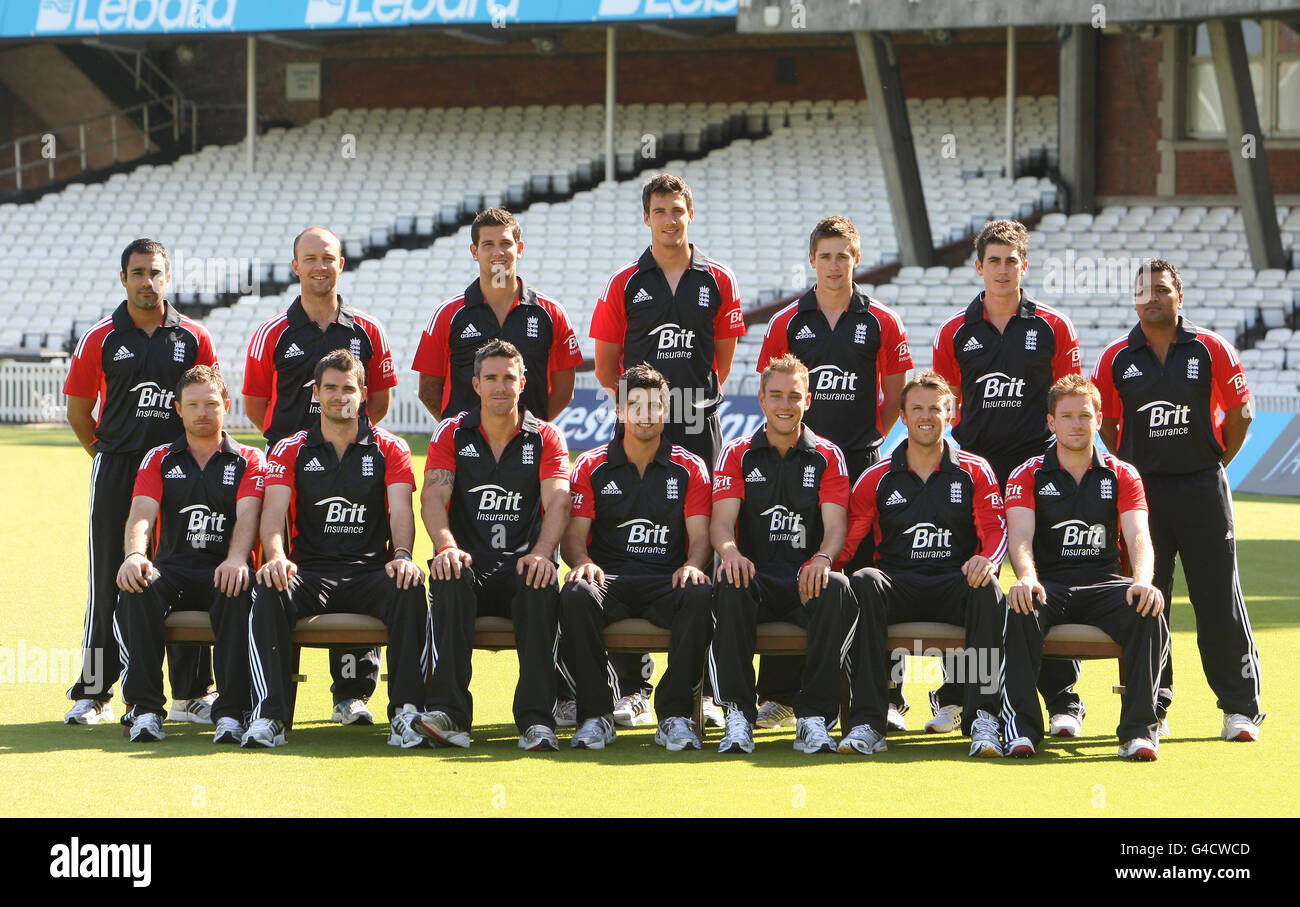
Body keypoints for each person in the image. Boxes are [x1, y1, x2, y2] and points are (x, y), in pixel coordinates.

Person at [590, 172, 745, 723]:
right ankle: (630, 686)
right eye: (660, 210)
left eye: (678, 209)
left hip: (698, 429)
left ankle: (698, 688)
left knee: (693, 551)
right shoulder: (625, 282)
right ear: (647, 217)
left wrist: (686, 404)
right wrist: (643, 410)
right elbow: (608, 366)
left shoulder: (718, 280)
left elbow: (720, 361)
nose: (669, 219)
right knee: (630, 545)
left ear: (690, 214)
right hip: (639, 426)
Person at [1091, 259, 1263, 741]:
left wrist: (1210, 462)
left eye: (1162, 290)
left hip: (1202, 489)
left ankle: (1239, 709)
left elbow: (1240, 415)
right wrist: (1133, 465)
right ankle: (1154, 708)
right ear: (1134, 299)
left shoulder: (1211, 349)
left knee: (1217, 600)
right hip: (1141, 496)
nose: (1152, 298)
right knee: (1147, 600)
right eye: (1143, 291)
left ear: (1179, 297)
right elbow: (1105, 425)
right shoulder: (1115, 358)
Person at [753, 214, 912, 730]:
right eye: (826, 255)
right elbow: (774, 389)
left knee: (865, 579)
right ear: (812, 260)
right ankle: (779, 694)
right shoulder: (785, 322)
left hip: (862, 462)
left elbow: (893, 398)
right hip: (797, 463)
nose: (835, 264)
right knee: (790, 564)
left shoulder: (883, 321)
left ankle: (884, 696)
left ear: (856, 260)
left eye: (844, 255)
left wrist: (861, 443)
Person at [930, 218, 1086, 737]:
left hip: (1038, 468)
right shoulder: (954, 332)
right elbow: (944, 406)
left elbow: (1069, 397)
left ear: (1025, 264)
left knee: (1042, 575)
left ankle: (1061, 696)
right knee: (966, 575)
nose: (1002, 269)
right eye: (992, 260)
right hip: (972, 469)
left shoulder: (1054, 327)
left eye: (1010, 260)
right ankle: (956, 694)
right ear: (978, 266)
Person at [243, 226, 399, 727]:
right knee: (282, 569)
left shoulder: (367, 330)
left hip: (353, 463)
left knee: (356, 557)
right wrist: (296, 445)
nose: (319, 266)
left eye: (327, 258)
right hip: (291, 471)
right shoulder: (273, 331)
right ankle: (274, 695)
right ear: (296, 267)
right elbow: (254, 404)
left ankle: (351, 693)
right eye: (309, 258)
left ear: (341, 264)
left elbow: (378, 399)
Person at [243, 350, 432, 749]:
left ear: (364, 393)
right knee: (268, 585)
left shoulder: (390, 448)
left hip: (369, 573)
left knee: (411, 585)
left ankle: (406, 713)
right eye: (330, 387)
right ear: (315, 393)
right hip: (309, 573)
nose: (339, 396)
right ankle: (270, 716)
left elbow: (401, 510)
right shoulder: (288, 448)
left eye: (348, 388)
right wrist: (276, 557)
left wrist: (401, 555)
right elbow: (273, 514)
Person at [63, 237, 217, 726]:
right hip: (118, 468)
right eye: (138, 273)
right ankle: (93, 691)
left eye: (155, 273)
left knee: (186, 573)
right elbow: (78, 410)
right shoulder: (100, 337)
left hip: (180, 472)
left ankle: (193, 693)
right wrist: (109, 455)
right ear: (123, 278)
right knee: (108, 578)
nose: (147, 282)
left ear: (167, 278)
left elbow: (206, 402)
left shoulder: (193, 337)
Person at [837, 371, 1008, 756]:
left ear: (952, 414)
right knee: (863, 580)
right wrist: (822, 564)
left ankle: (983, 719)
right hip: (898, 584)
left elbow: (996, 531)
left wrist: (987, 561)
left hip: (954, 582)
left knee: (989, 589)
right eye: (917, 408)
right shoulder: (877, 476)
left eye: (936, 408)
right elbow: (848, 540)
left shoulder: (974, 470)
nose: (926, 416)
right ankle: (868, 720)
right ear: (903, 416)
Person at [1001, 375, 1168, 761]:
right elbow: (1020, 537)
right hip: (1051, 585)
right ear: (1051, 422)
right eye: (1067, 416)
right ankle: (1023, 729)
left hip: (1105, 585)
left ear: (1098, 418)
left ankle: (1138, 732)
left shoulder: (1122, 473)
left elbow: (1139, 535)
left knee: (1148, 608)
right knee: (1019, 605)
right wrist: (1027, 577)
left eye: (1085, 415)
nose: (1077, 424)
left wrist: (1143, 580)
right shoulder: (1026, 474)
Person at [420, 339, 571, 752]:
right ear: (476, 384)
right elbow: (433, 497)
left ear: (523, 382)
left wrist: (542, 553)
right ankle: (449, 713)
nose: (500, 386)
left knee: (540, 582)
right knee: (447, 573)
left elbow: (559, 499)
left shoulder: (546, 437)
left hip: (523, 568)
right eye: (491, 378)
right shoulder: (451, 432)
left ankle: (537, 720)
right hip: (470, 566)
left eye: (509, 377)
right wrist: (446, 545)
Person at [559, 364, 714, 751]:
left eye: (654, 405)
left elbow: (701, 538)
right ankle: (596, 714)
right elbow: (573, 538)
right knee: (576, 593)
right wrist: (582, 563)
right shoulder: (591, 465)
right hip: (610, 581)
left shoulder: (690, 466)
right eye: (635, 404)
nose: (645, 413)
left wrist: (693, 565)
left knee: (700, 593)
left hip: (666, 582)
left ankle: (674, 715)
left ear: (667, 410)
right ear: (619, 410)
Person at [709, 354, 856, 755]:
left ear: (807, 400)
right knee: (727, 580)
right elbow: (720, 524)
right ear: (761, 399)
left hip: (804, 579)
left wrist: (823, 559)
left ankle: (814, 718)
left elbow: (836, 528)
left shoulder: (828, 454)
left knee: (839, 586)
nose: (785, 405)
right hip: (755, 577)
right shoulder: (737, 452)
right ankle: (738, 715)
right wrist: (730, 554)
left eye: (794, 396)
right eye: (776, 396)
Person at [114, 366, 263, 744]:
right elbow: (141, 513)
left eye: (211, 404)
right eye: (193, 404)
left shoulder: (249, 458)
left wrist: (235, 559)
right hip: (173, 570)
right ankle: (145, 710)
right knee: (138, 586)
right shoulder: (159, 458)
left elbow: (248, 515)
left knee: (238, 585)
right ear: (177, 408)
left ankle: (231, 713)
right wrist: (134, 554)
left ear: (227, 406)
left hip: (222, 569)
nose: (202, 413)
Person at [413, 206, 583, 422]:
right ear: (475, 252)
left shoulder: (551, 313)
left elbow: (564, 391)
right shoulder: (448, 314)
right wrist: (462, 431)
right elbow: (428, 392)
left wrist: (531, 430)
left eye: (505, 243)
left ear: (519, 248)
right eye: (488, 245)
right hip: (466, 449)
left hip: (528, 448)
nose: (497, 253)